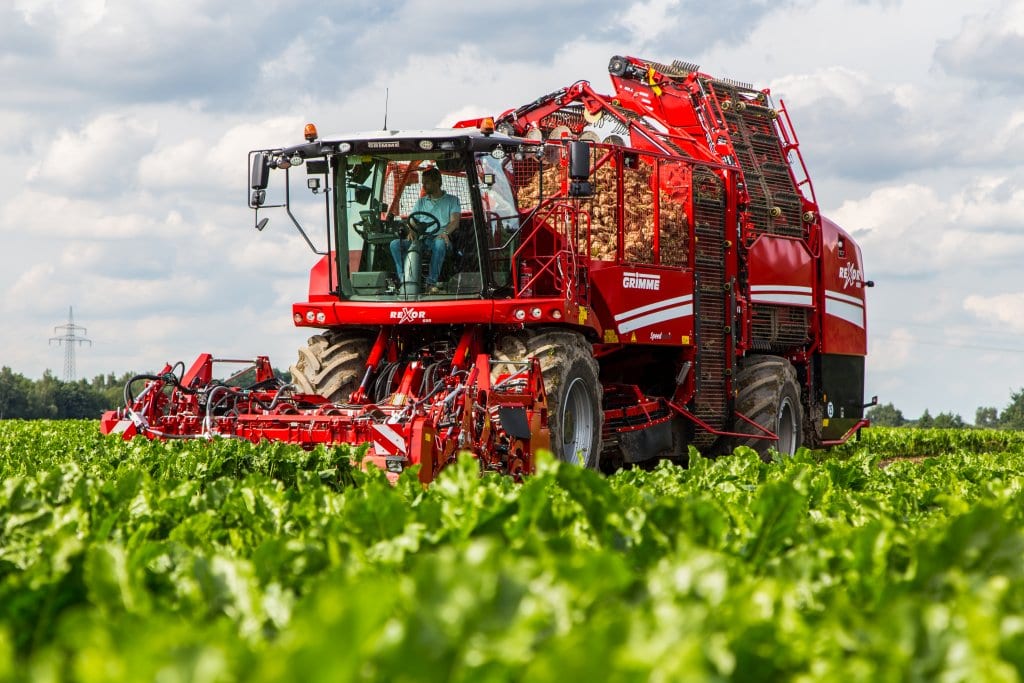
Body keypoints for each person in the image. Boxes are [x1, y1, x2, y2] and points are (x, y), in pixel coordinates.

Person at [389, 167, 461, 292]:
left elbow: (455, 221)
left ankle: (430, 283)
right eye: (423, 183)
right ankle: (404, 280)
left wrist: (445, 233)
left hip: (440, 237)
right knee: (395, 244)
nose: (424, 186)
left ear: (437, 182)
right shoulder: (421, 202)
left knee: (439, 244)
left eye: (426, 183)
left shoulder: (452, 200)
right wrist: (411, 230)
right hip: (422, 239)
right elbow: (412, 219)